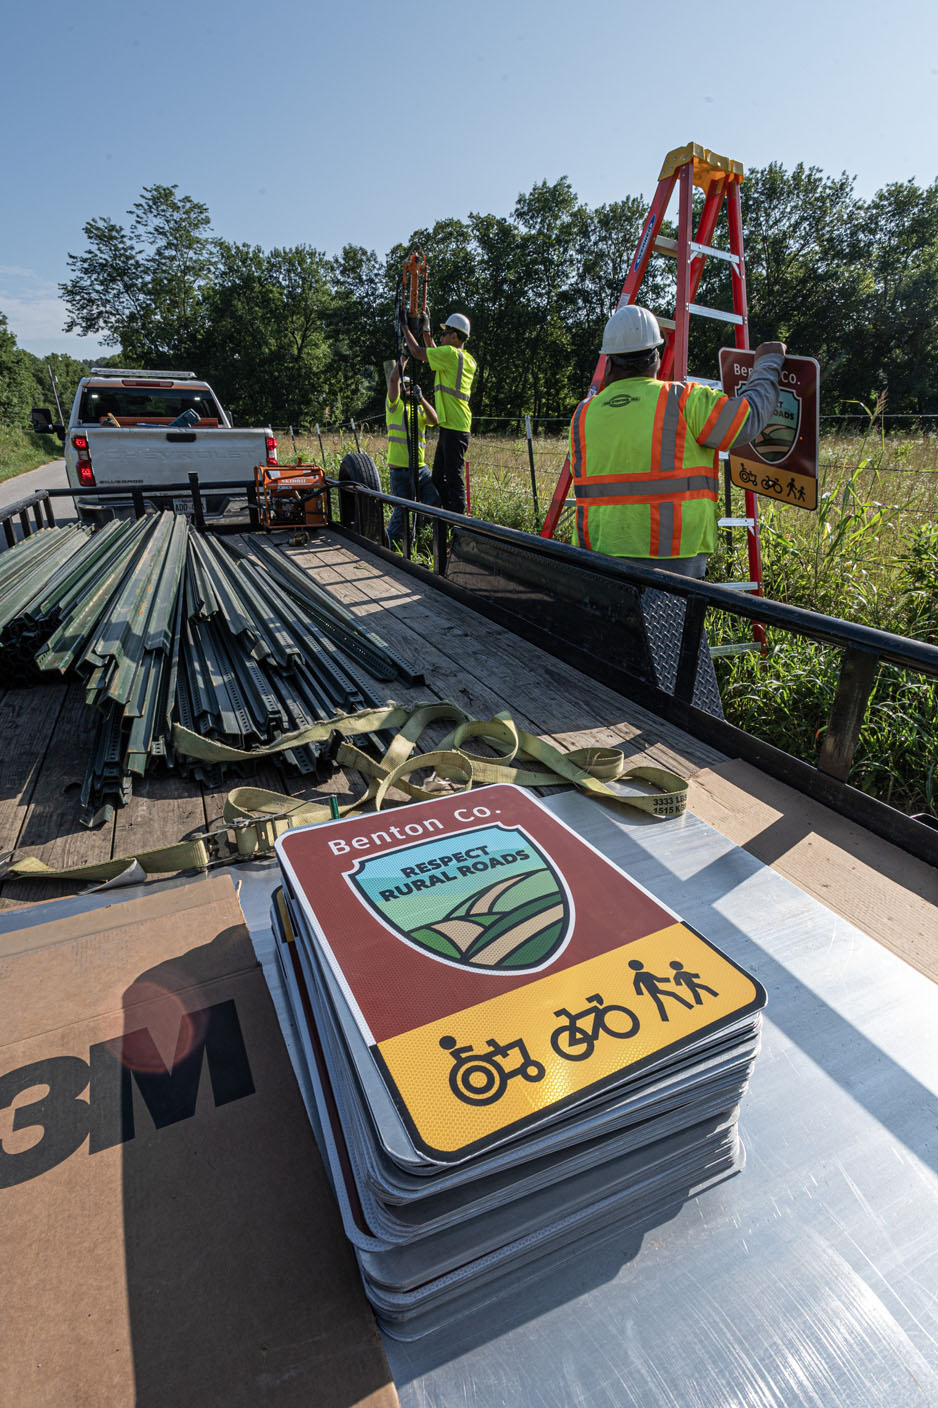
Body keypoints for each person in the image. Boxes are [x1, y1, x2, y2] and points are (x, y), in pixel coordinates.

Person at [570, 305, 786, 578]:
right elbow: (748, 419)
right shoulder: (684, 400)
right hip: (673, 564)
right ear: (656, 360)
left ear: (609, 363)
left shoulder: (584, 413)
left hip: (597, 561)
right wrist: (768, 363)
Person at [402, 311, 477, 514]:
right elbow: (434, 352)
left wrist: (405, 328)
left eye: (444, 334)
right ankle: (446, 516)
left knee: (452, 478)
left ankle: (457, 520)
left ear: (455, 336)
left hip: (454, 426)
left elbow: (418, 352)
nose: (441, 338)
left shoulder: (451, 355)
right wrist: (426, 331)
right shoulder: (463, 358)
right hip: (453, 425)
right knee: (439, 478)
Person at [385, 357, 440, 549]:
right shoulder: (394, 407)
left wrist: (422, 399)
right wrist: (404, 358)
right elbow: (393, 380)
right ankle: (391, 546)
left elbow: (435, 419)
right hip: (400, 471)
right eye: (404, 386)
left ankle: (419, 539)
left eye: (409, 385)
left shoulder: (419, 409)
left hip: (420, 469)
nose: (406, 388)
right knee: (402, 512)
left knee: (433, 500)